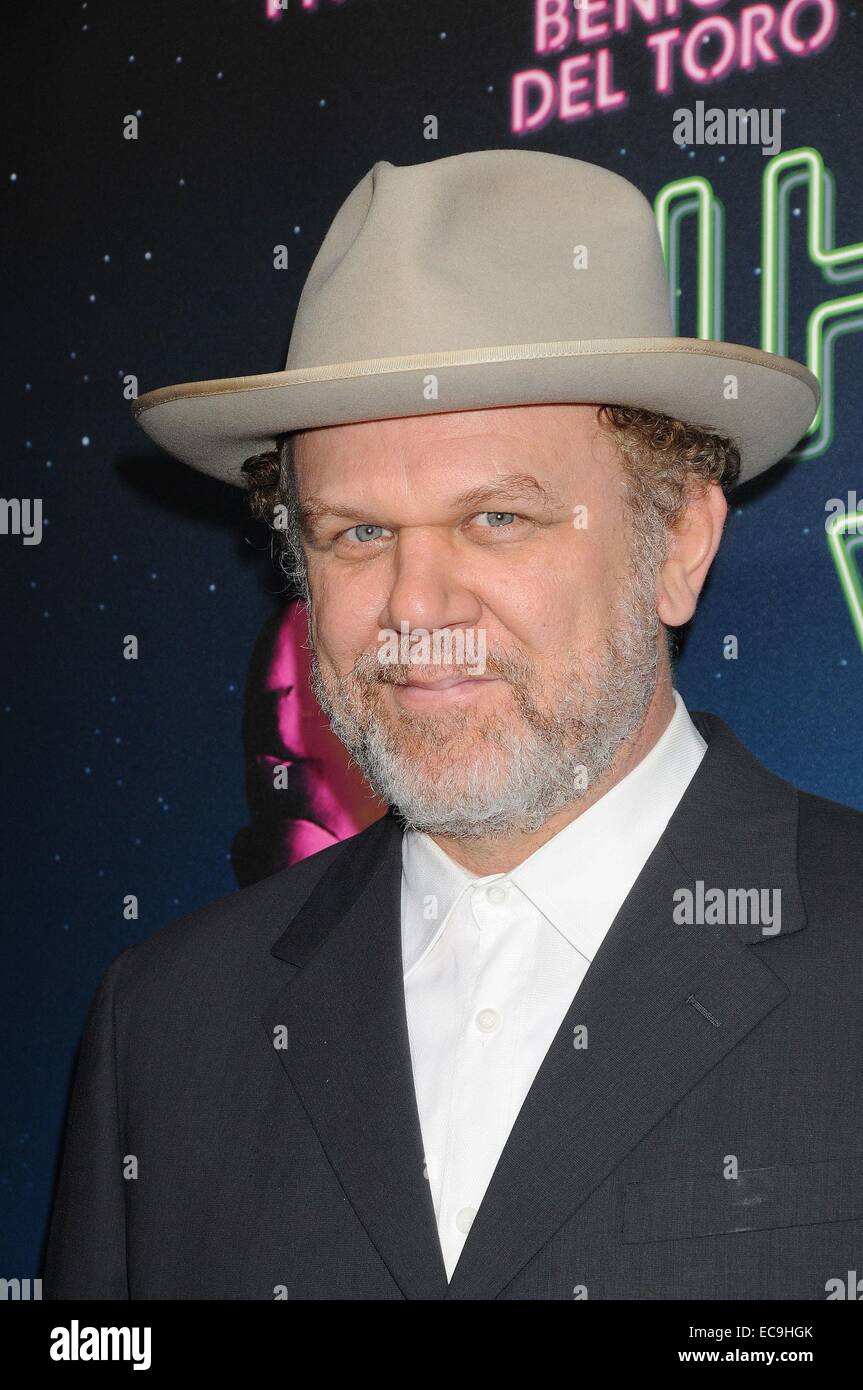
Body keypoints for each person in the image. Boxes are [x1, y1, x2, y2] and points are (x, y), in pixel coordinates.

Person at [45, 150, 863, 1300]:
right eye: (356, 535)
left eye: (494, 517)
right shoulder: (167, 1028)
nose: (414, 609)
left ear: (676, 541)